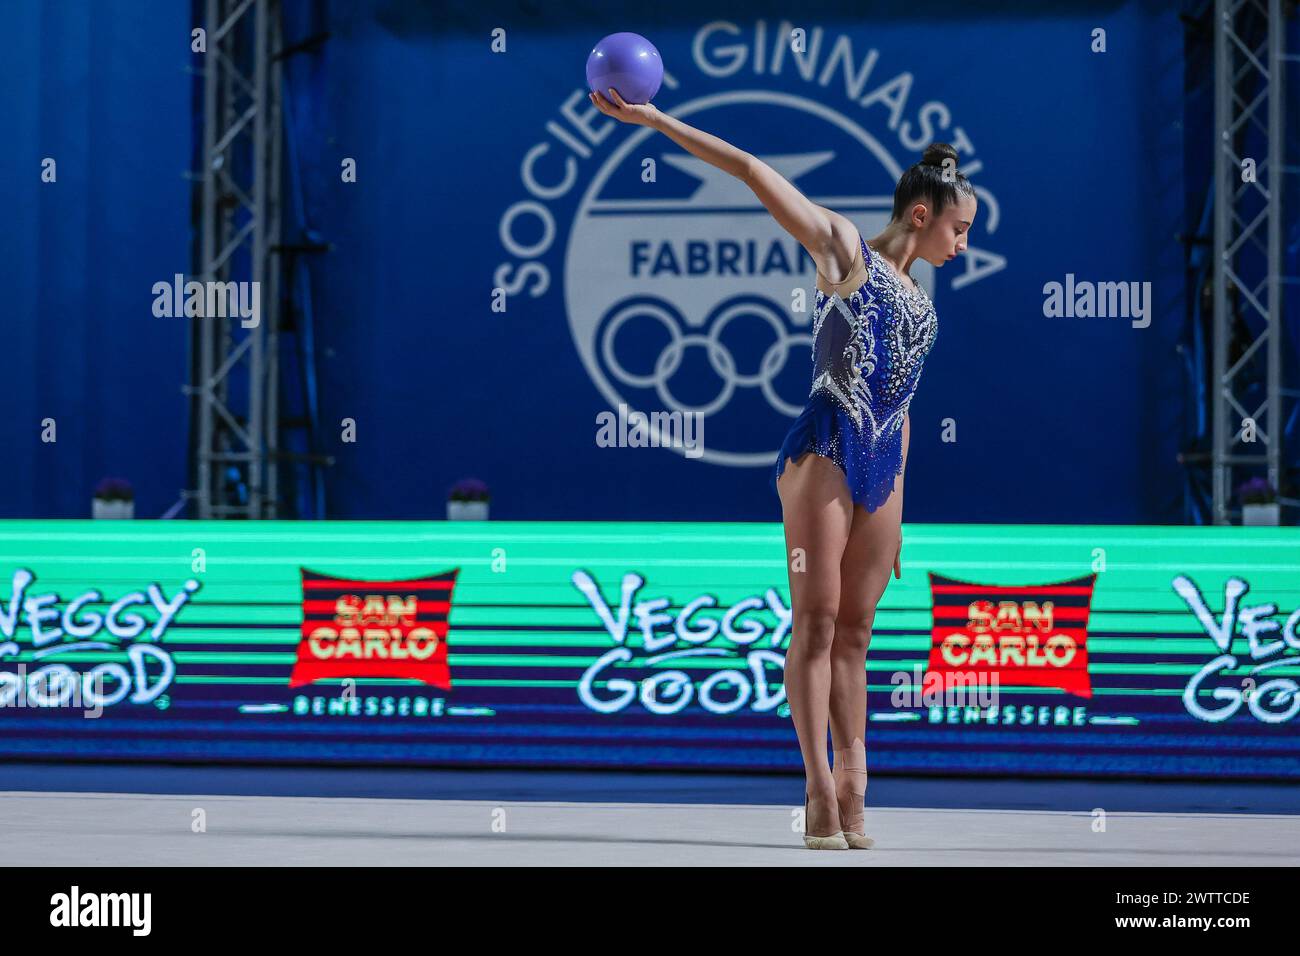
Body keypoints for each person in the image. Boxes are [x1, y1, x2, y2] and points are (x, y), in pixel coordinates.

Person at [589, 87, 977, 850]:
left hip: (885, 464)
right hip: (825, 450)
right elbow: (751, 171)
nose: (962, 244)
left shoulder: (924, 299)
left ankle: (858, 776)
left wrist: (901, 505)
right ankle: (816, 786)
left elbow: (906, 402)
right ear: (922, 215)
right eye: (958, 229)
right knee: (819, 621)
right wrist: (656, 121)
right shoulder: (843, 250)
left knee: (860, 633)